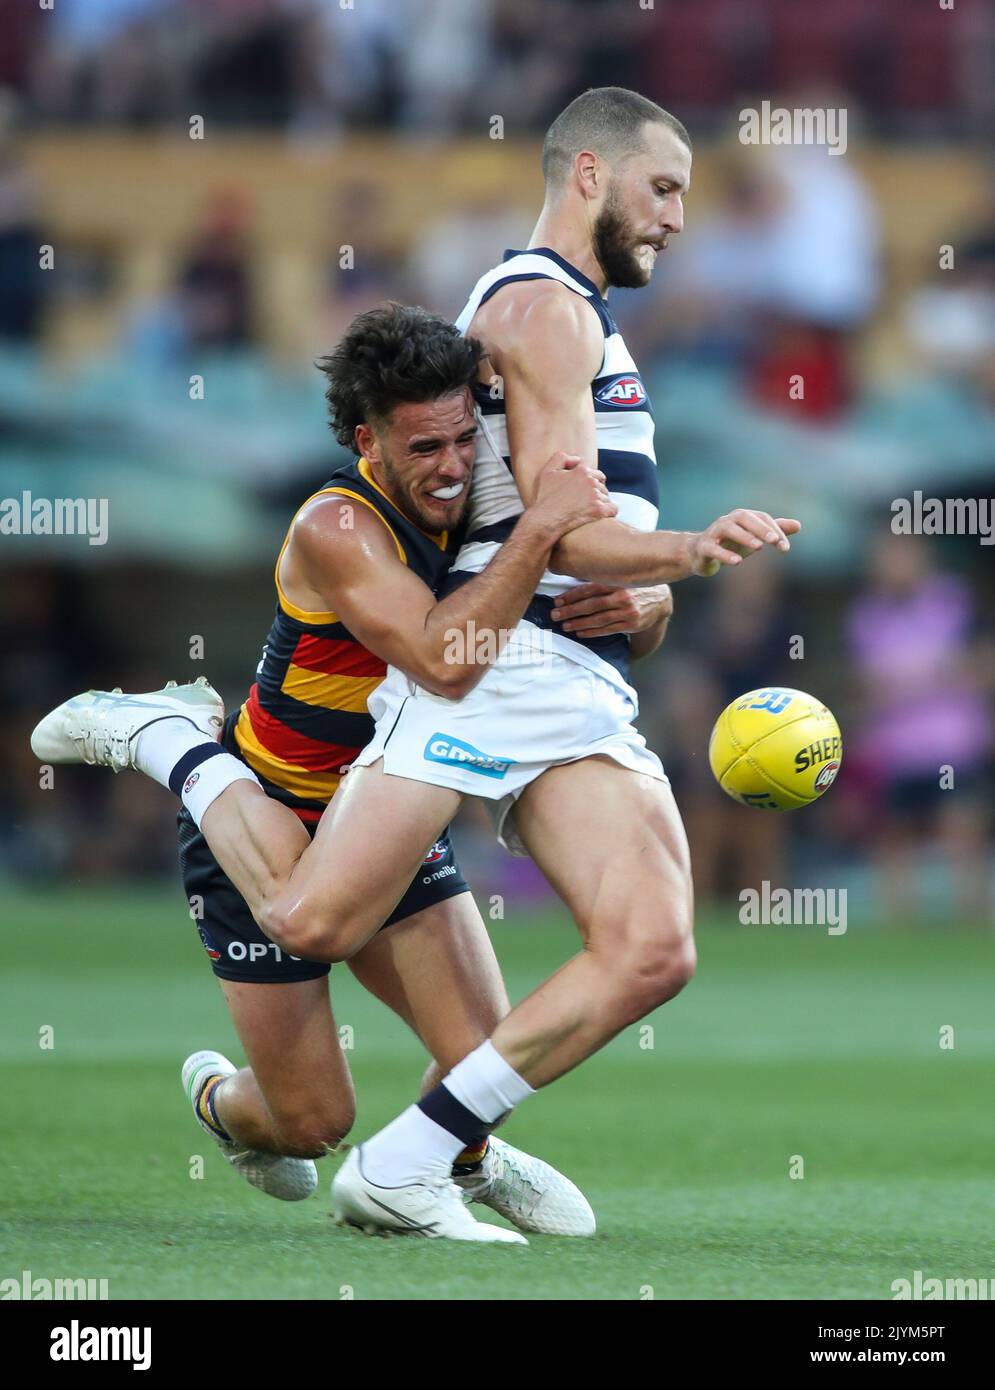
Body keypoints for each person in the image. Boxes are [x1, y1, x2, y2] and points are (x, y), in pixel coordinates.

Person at [35, 89, 799, 1244]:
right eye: (663, 187)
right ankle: (173, 744)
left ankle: (426, 1153)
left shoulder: (567, 322)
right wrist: (684, 551)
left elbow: (555, 544)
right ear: (587, 172)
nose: (679, 217)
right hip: (351, 746)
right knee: (306, 1032)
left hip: (546, 678)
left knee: (648, 949)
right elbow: (518, 566)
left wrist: (639, 599)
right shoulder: (530, 325)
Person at [33, 301, 656, 1243]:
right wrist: (537, 539)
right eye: (422, 447)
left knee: (485, 1061)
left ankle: (452, 1157)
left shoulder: (488, 488)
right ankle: (177, 752)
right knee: (309, 1125)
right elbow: (445, 658)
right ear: (367, 439)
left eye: (460, 438)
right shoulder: (337, 524)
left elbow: (588, 622)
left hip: (389, 811)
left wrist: (644, 606)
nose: (451, 467)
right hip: (272, 803)